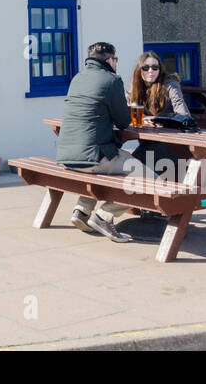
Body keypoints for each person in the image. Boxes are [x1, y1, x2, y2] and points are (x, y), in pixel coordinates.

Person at [56, 42, 158, 243]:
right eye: (116, 59)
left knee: (110, 167)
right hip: (94, 157)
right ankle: (103, 215)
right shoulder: (112, 80)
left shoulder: (77, 78)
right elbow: (123, 121)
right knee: (150, 179)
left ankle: (82, 211)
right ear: (110, 60)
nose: (117, 63)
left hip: (67, 157)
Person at [127, 51, 189, 177]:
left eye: (155, 67)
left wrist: (156, 120)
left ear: (160, 69)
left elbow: (184, 115)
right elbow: (130, 116)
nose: (151, 71)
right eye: (146, 67)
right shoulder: (136, 90)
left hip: (172, 144)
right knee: (127, 168)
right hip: (149, 144)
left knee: (135, 172)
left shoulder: (170, 85)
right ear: (139, 70)